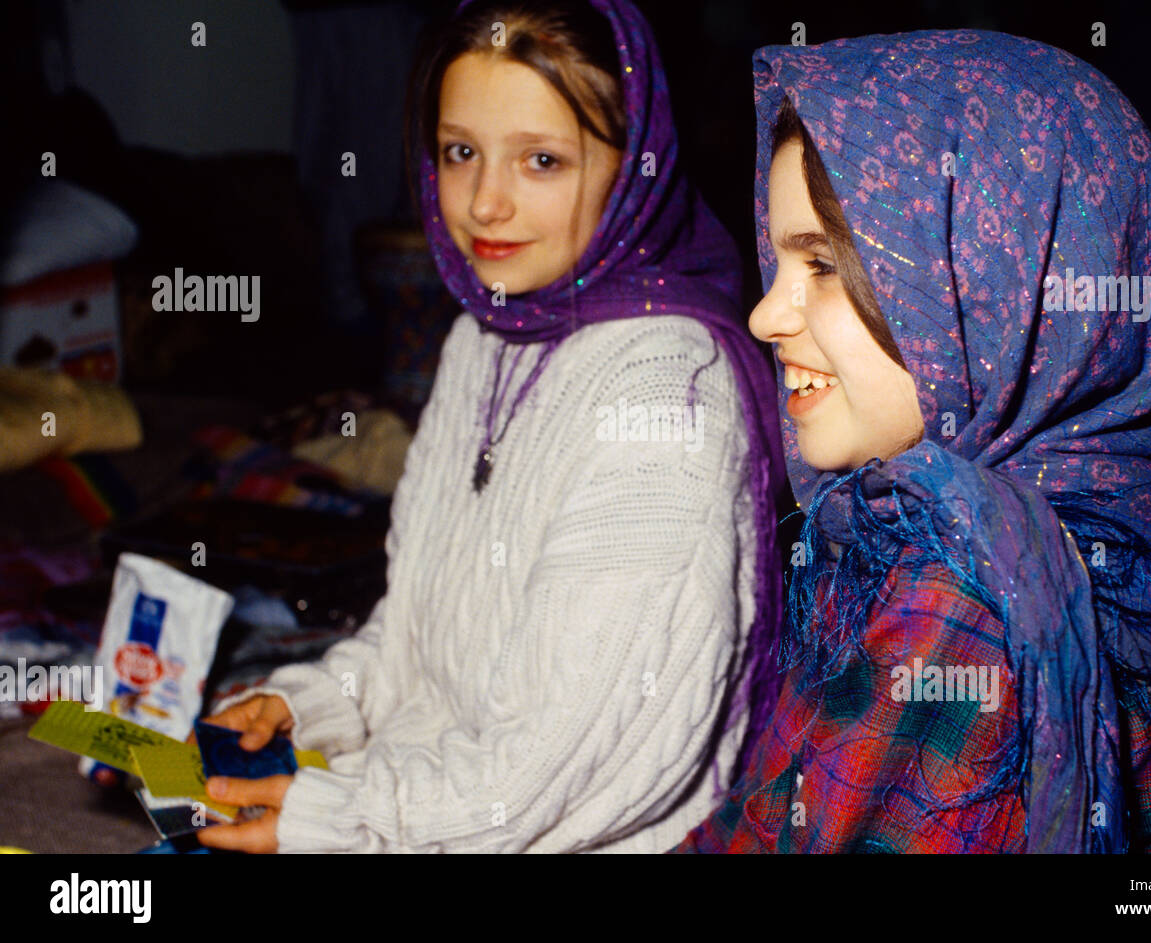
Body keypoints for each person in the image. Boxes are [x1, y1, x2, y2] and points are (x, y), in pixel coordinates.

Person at [194, 0, 784, 853]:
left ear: (633, 169)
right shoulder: (486, 331)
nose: (484, 203)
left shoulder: (666, 395)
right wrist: (316, 700)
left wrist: (339, 815)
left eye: (541, 160)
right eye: (460, 152)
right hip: (436, 802)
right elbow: (421, 636)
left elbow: (552, 766)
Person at [675, 29, 1151, 853]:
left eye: (822, 265)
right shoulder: (1148, 539)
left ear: (993, 282)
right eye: (779, 264)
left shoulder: (967, 594)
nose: (763, 316)